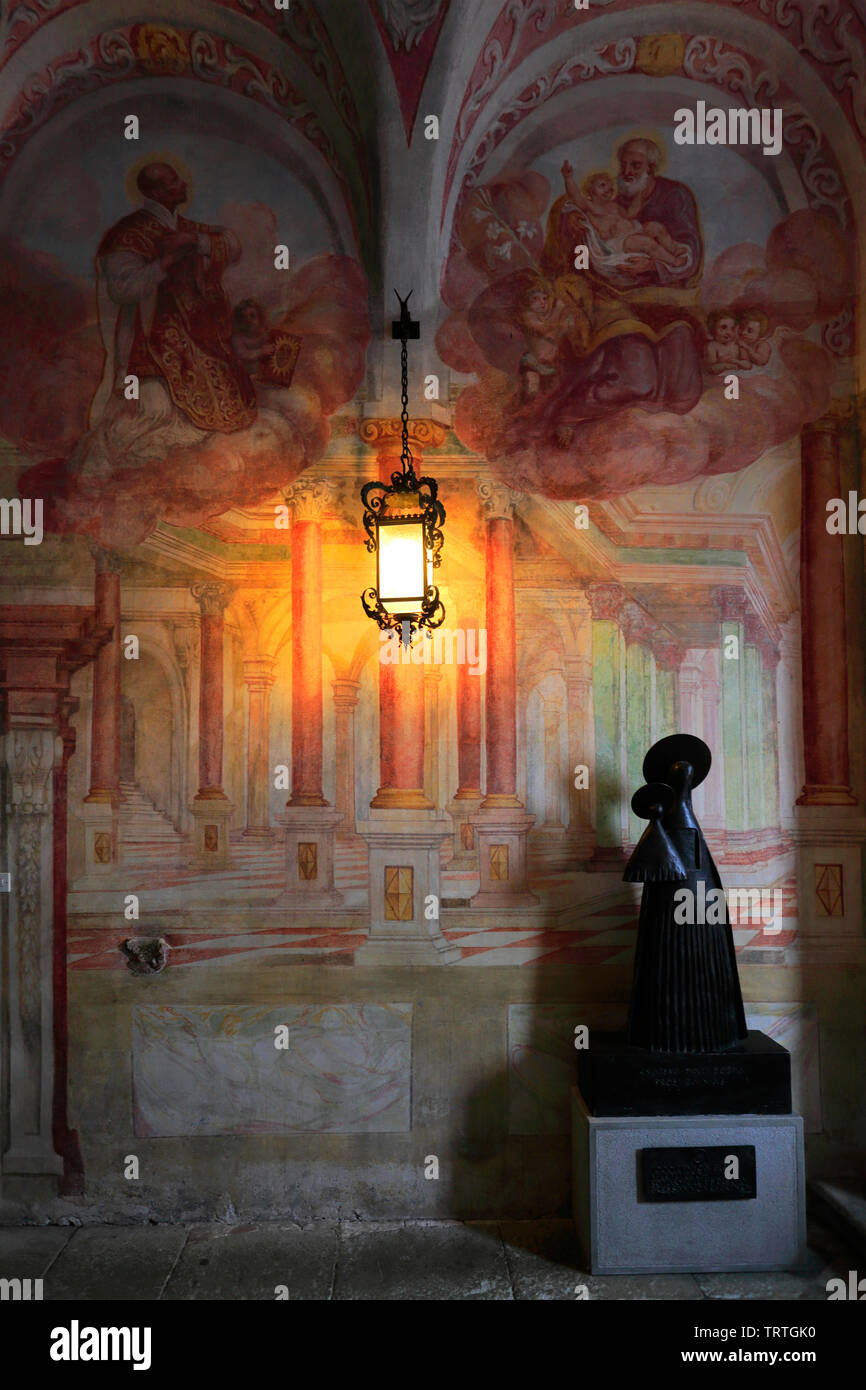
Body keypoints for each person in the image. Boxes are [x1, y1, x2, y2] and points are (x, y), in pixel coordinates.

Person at [89, 160, 256, 437]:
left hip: (200, 335)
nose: (183, 184)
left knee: (232, 397)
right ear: (156, 193)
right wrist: (164, 263)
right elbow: (121, 290)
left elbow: (232, 245)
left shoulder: (185, 227)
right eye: (174, 181)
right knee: (160, 416)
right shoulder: (128, 234)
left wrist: (195, 241)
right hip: (154, 337)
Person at [626, 734, 748, 1053]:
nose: (685, 777)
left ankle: (708, 1031)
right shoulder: (667, 824)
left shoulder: (679, 825)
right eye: (681, 773)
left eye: (688, 774)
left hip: (699, 896)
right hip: (678, 902)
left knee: (700, 937)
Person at [560, 165, 690, 273]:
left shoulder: (613, 206)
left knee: (656, 227)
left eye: (610, 186)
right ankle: (674, 261)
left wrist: (640, 196)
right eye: (602, 185)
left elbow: (630, 214)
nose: (608, 189)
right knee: (646, 243)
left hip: (635, 230)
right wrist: (568, 178)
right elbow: (575, 196)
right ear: (590, 191)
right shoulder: (591, 207)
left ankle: (674, 249)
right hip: (619, 243)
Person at [703, 310, 752, 374]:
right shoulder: (711, 346)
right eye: (723, 327)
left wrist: (736, 361)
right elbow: (710, 369)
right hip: (720, 378)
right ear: (713, 328)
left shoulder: (738, 345)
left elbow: (748, 365)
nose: (728, 332)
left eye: (732, 328)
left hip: (738, 376)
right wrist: (726, 365)